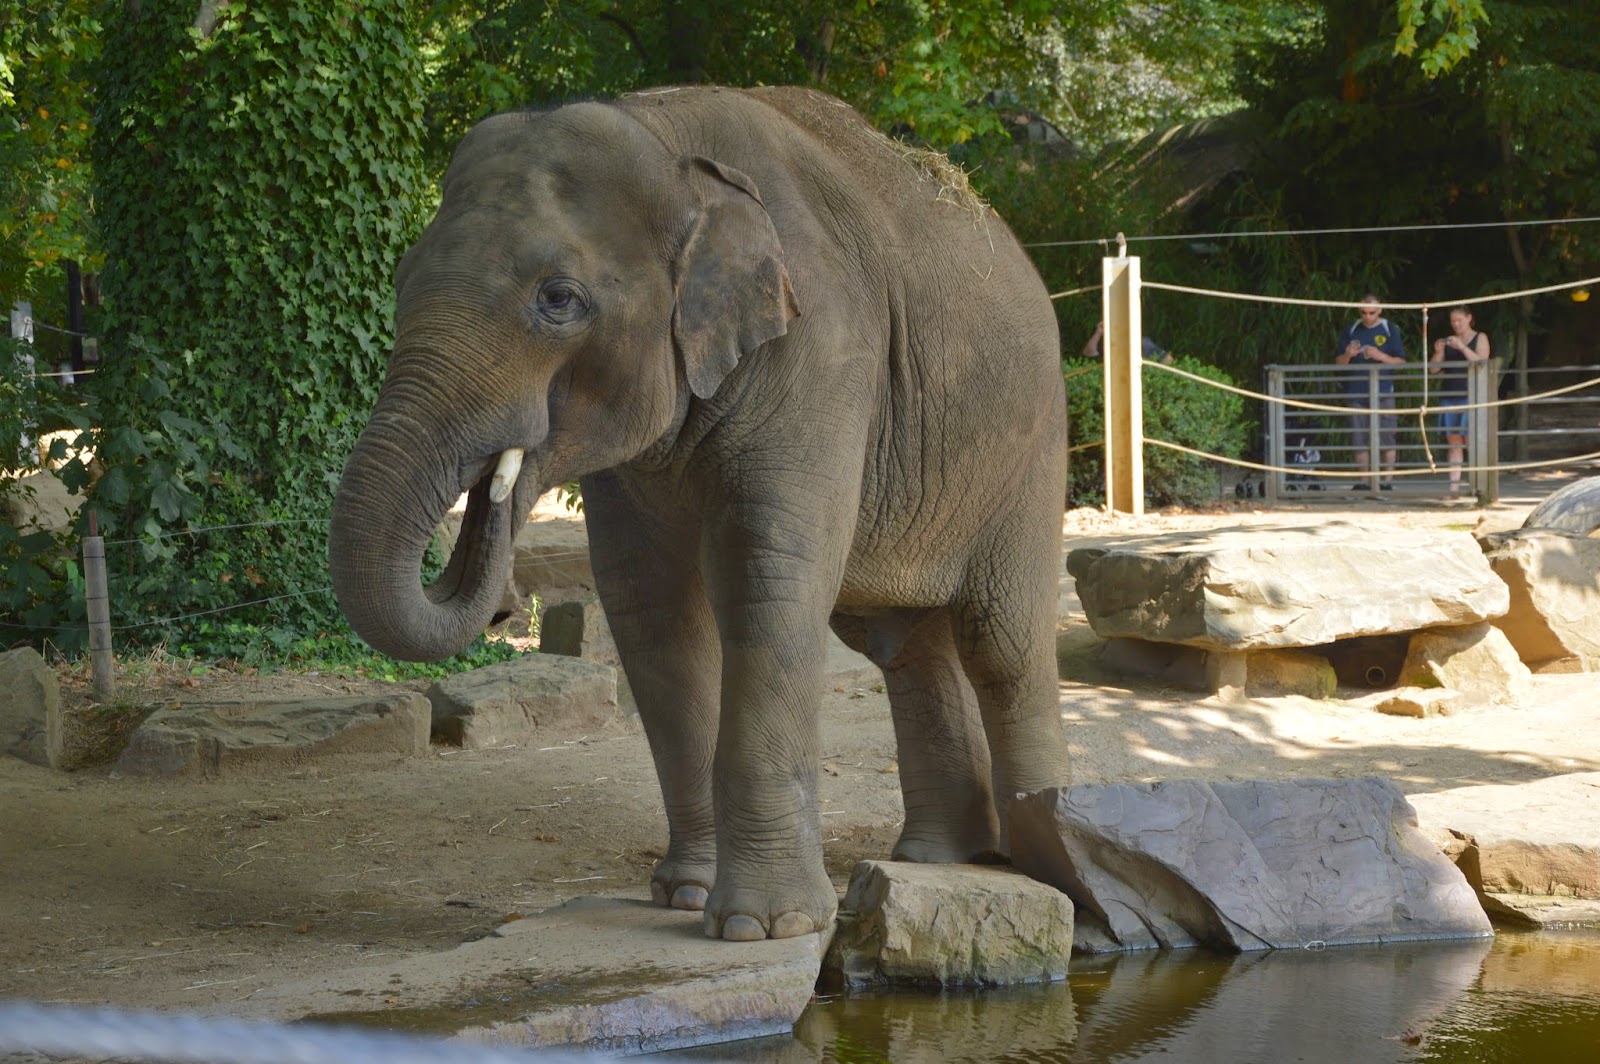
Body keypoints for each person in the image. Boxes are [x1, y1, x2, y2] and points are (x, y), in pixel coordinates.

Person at [1334, 295, 1406, 489]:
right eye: (1364, 312)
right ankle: (1364, 482)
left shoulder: (1390, 329)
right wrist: (1348, 354)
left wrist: (1380, 356)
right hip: (1356, 392)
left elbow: (1401, 363)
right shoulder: (1351, 328)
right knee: (1359, 438)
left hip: (1383, 391)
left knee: (1387, 437)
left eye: (1372, 312)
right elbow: (1338, 364)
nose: (1367, 317)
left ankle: (1387, 482)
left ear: (1380, 309)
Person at [1429, 305, 1491, 495]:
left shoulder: (1480, 337)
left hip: (1471, 396)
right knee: (1454, 443)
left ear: (1469, 318)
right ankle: (1453, 488)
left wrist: (1462, 347)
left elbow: (1481, 362)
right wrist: (1439, 351)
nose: (1456, 324)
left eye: (1459, 320)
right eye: (1453, 321)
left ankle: (1477, 486)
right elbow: (1433, 369)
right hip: (1449, 395)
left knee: (1472, 441)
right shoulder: (1449, 340)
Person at [1083, 320, 1173, 363]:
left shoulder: (1142, 343)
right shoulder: (1111, 345)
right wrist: (1098, 333)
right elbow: (1089, 353)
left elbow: (1168, 359)